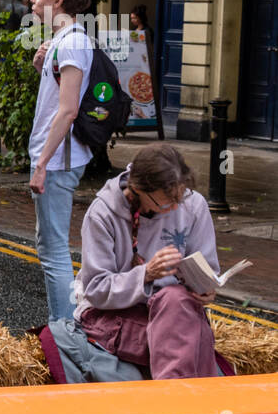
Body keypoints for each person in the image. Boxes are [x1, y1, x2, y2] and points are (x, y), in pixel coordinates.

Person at [75, 144, 225, 378]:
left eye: (180, 197)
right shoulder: (102, 213)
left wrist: (206, 290)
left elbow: (208, 269)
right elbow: (95, 289)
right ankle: (180, 398)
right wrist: (146, 274)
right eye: (166, 203)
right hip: (115, 313)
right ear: (137, 189)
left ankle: (176, 398)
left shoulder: (194, 205)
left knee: (176, 302)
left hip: (175, 311)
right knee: (185, 325)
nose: (176, 207)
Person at [28, 0, 94, 322]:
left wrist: (41, 164)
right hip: (55, 159)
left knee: (52, 250)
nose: (33, 2)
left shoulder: (73, 44)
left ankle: (65, 330)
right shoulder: (62, 42)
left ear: (60, 0)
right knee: (48, 245)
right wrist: (43, 67)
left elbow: (68, 111)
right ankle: (63, 325)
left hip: (58, 162)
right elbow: (59, 98)